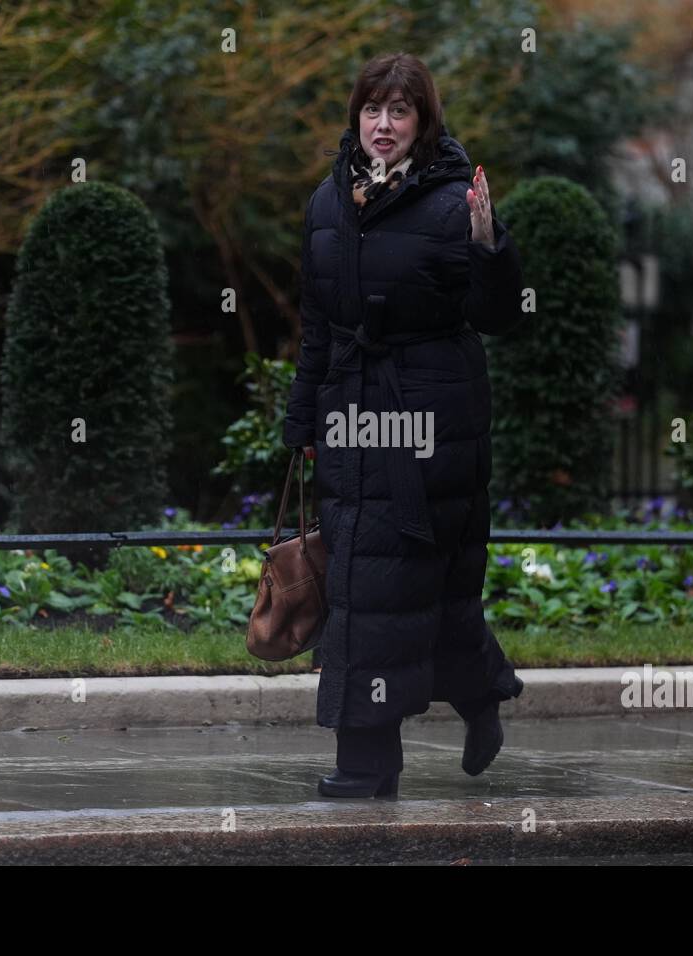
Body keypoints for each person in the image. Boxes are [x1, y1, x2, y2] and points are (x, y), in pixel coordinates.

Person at [282, 52, 527, 799]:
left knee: (392, 585)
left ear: (423, 123)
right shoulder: (329, 203)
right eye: (371, 110)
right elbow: (318, 323)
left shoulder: (455, 204)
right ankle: (438, 721)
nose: (382, 125)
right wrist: (303, 420)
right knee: (376, 586)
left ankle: (386, 752)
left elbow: (501, 317)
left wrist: (489, 245)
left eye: (399, 112)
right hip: (352, 416)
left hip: (430, 424)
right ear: (356, 117)